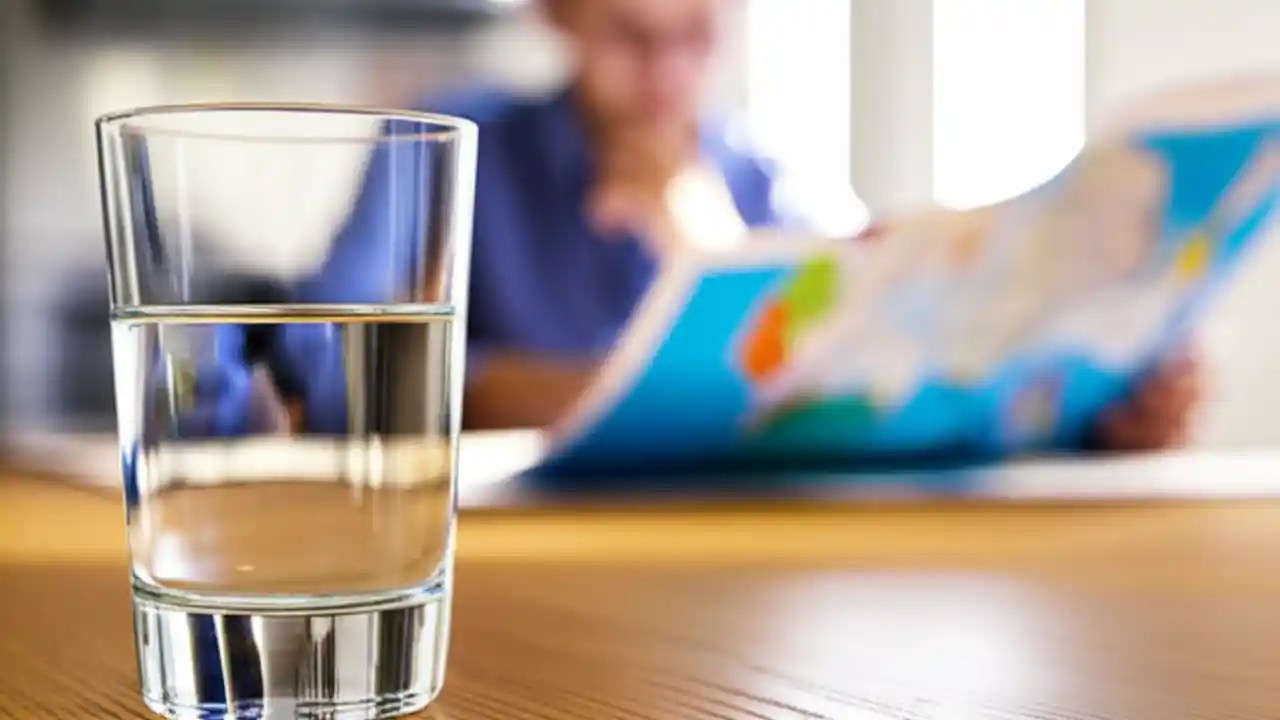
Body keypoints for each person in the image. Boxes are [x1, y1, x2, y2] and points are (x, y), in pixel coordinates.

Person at [202, 0, 1202, 451]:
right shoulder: (446, 148)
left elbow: (864, 367)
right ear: (557, 18)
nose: (667, 78)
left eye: (694, 37)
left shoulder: (758, 178)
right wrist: (578, 393)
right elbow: (318, 361)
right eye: (630, 40)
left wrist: (1095, 412)